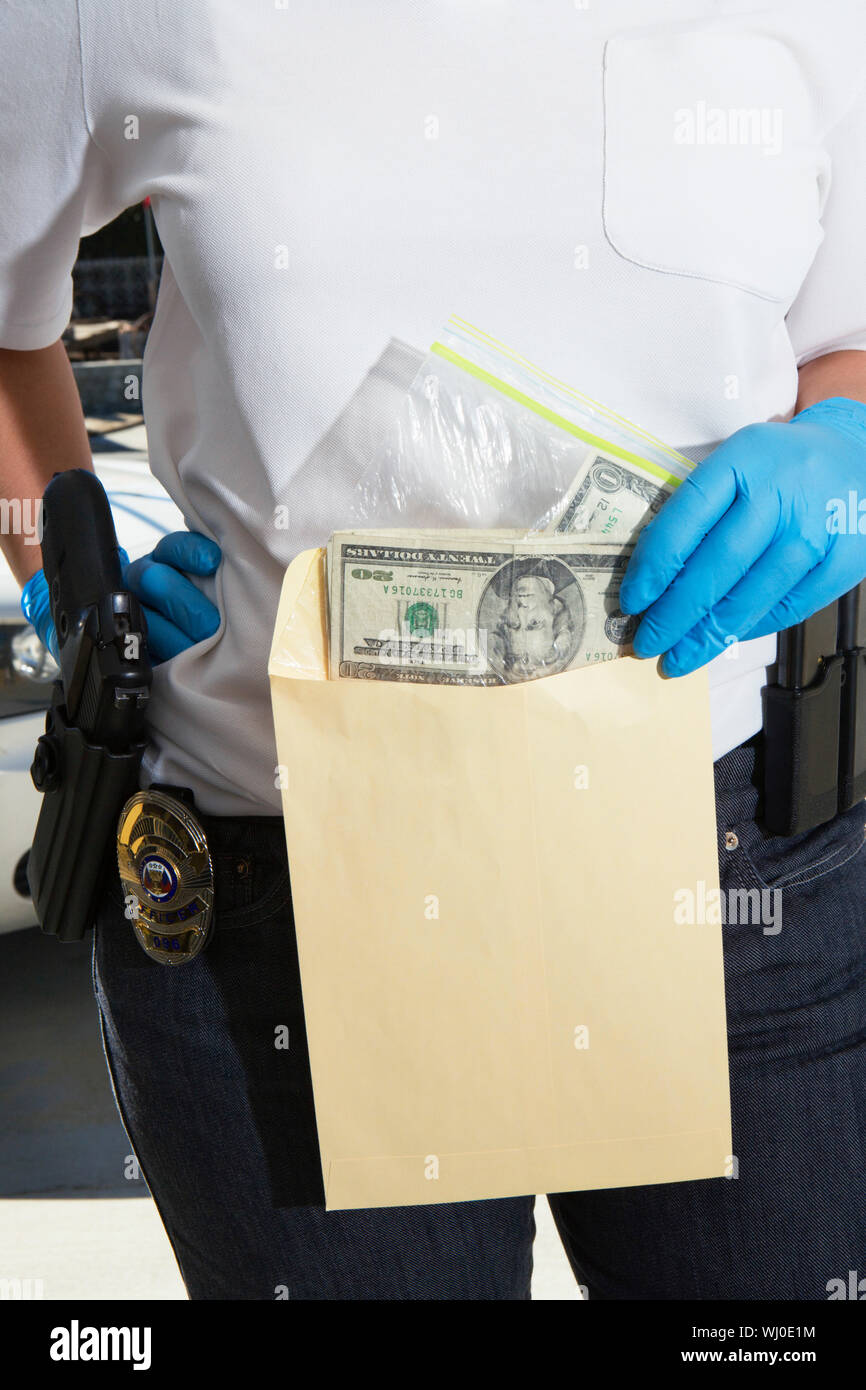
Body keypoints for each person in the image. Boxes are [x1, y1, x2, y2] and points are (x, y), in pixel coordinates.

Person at [1, 0, 865, 1299]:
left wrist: (845, 452)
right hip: (271, 889)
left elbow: (838, 325)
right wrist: (69, 572)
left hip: (736, 888)